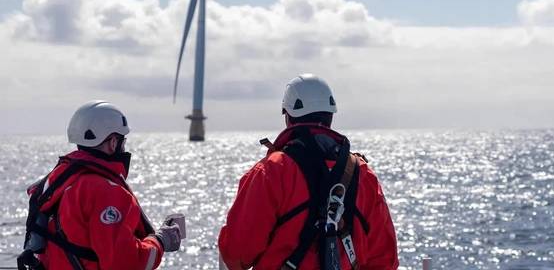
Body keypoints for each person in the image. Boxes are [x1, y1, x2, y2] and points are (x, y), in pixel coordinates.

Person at [218, 74, 399, 270]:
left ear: (288, 117)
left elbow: (237, 253)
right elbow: (385, 259)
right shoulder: (362, 174)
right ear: (330, 117)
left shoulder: (272, 171)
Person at [17, 100, 182, 270]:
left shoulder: (61, 183)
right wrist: (161, 240)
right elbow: (124, 264)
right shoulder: (107, 193)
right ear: (113, 143)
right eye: (122, 141)